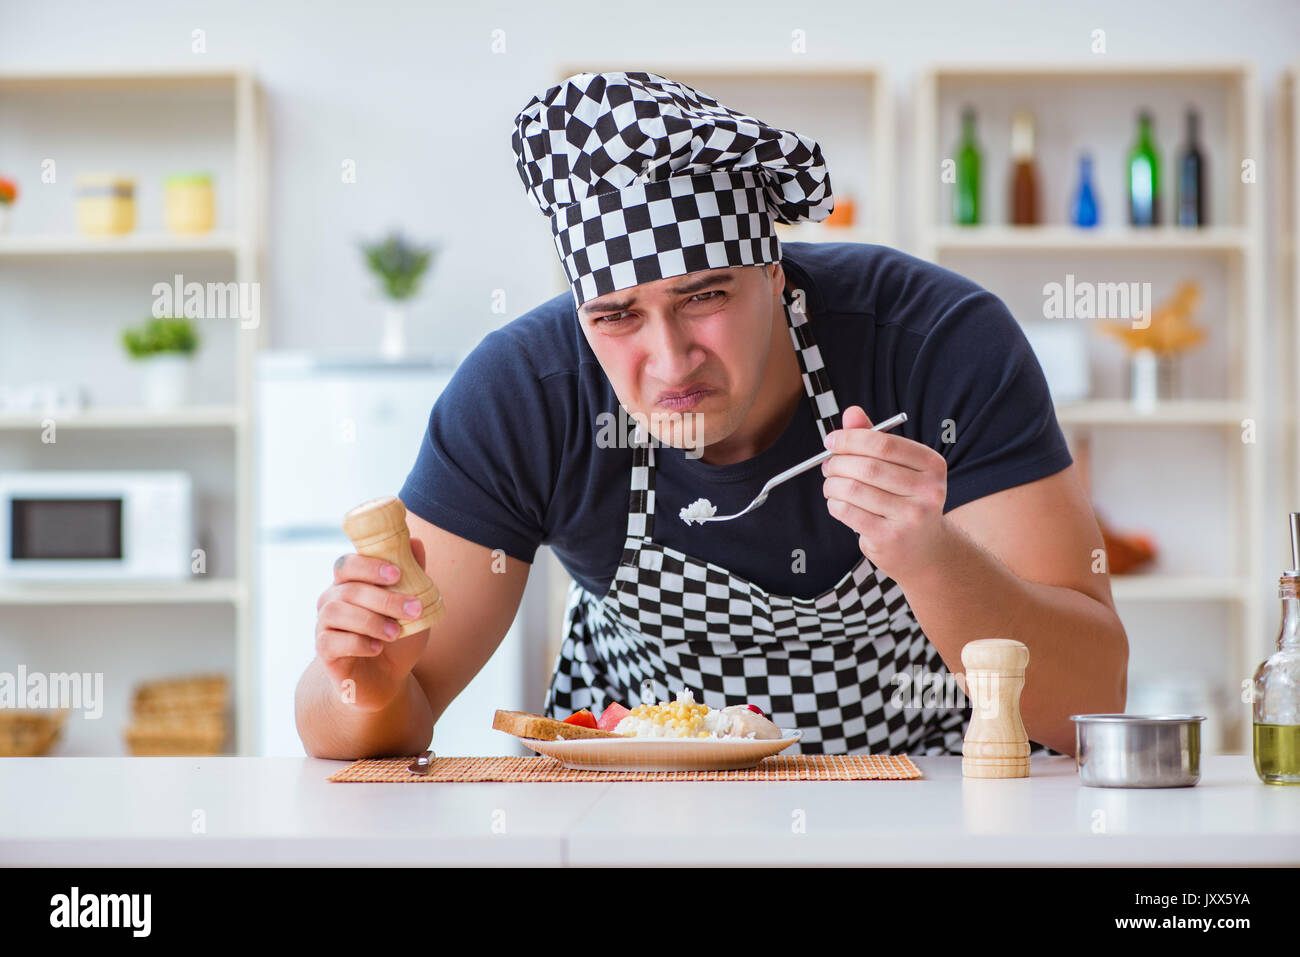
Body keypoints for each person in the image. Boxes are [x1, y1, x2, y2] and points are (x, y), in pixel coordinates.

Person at [297, 71, 1127, 759]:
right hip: (625, 808)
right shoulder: (525, 394)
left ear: (775, 273)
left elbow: (1091, 702)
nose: (670, 360)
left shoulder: (937, 345)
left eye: (704, 298)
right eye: (618, 315)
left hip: (928, 798)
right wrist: (364, 683)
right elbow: (372, 727)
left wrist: (932, 555)